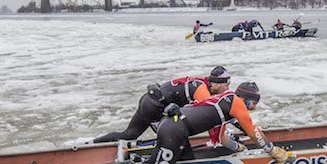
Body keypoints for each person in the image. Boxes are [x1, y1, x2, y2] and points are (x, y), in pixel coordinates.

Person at [73, 81, 290, 164]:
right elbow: (253, 131)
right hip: (174, 131)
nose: (254, 108)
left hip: (176, 127)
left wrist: (237, 147)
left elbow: (222, 137)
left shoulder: (223, 101)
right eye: (255, 103)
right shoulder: (237, 103)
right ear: (248, 99)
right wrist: (272, 151)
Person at [92, 66, 231, 143]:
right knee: (173, 138)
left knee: (130, 134)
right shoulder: (202, 91)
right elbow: (209, 118)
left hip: (148, 100)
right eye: (227, 84)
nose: (228, 89)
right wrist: (222, 139)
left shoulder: (202, 82)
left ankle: (94, 142)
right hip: (154, 108)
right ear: (216, 84)